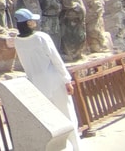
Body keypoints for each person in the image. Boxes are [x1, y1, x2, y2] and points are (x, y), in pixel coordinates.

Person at [13, 8, 80, 151]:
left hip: (37, 85)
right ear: (28, 23)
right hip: (55, 82)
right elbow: (56, 59)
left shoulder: (17, 41)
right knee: (68, 116)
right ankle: (75, 147)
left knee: (51, 121)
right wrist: (66, 79)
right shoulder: (41, 37)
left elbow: (25, 65)